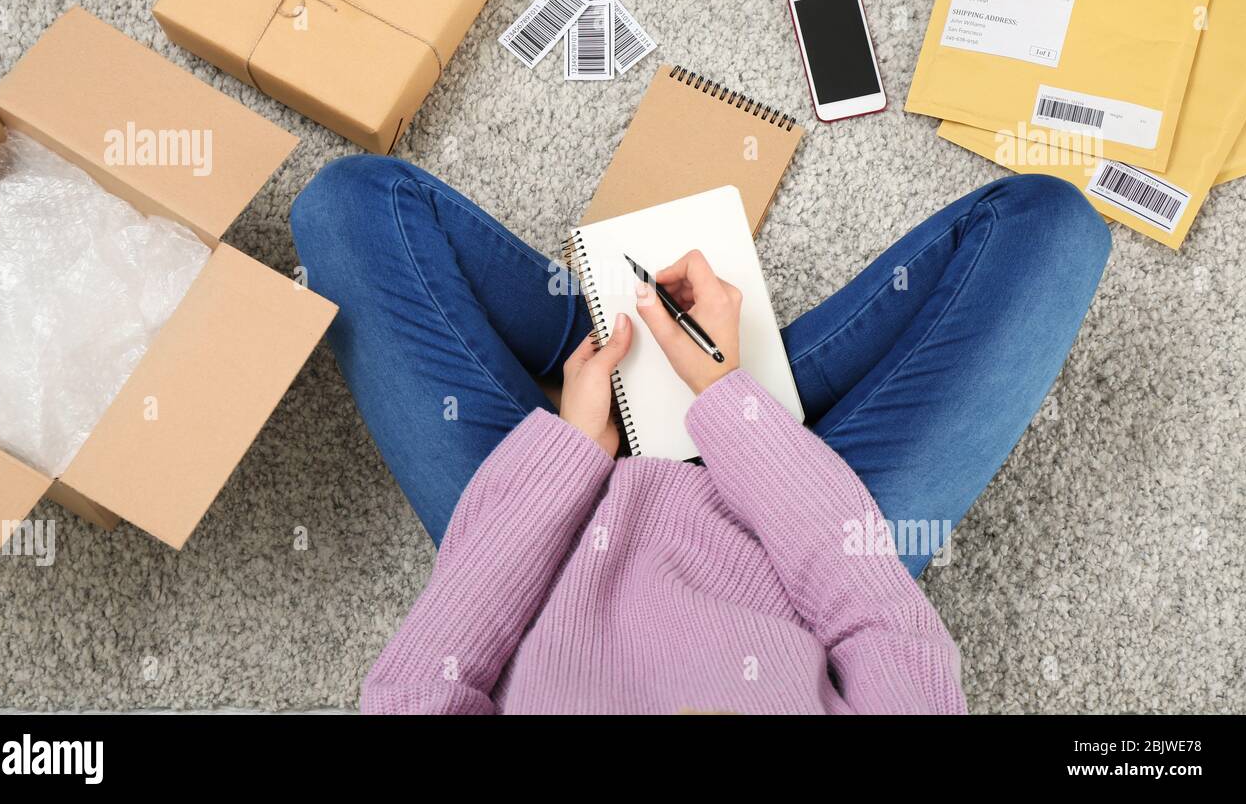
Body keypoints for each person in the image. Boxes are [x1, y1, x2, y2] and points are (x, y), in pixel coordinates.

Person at [290, 156, 1110, 714]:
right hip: (801, 540)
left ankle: (621, 331)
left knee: (351, 205)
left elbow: (417, 690)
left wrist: (569, 454)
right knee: (1049, 225)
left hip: (543, 544)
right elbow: (884, 627)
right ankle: (663, 341)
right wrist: (727, 399)